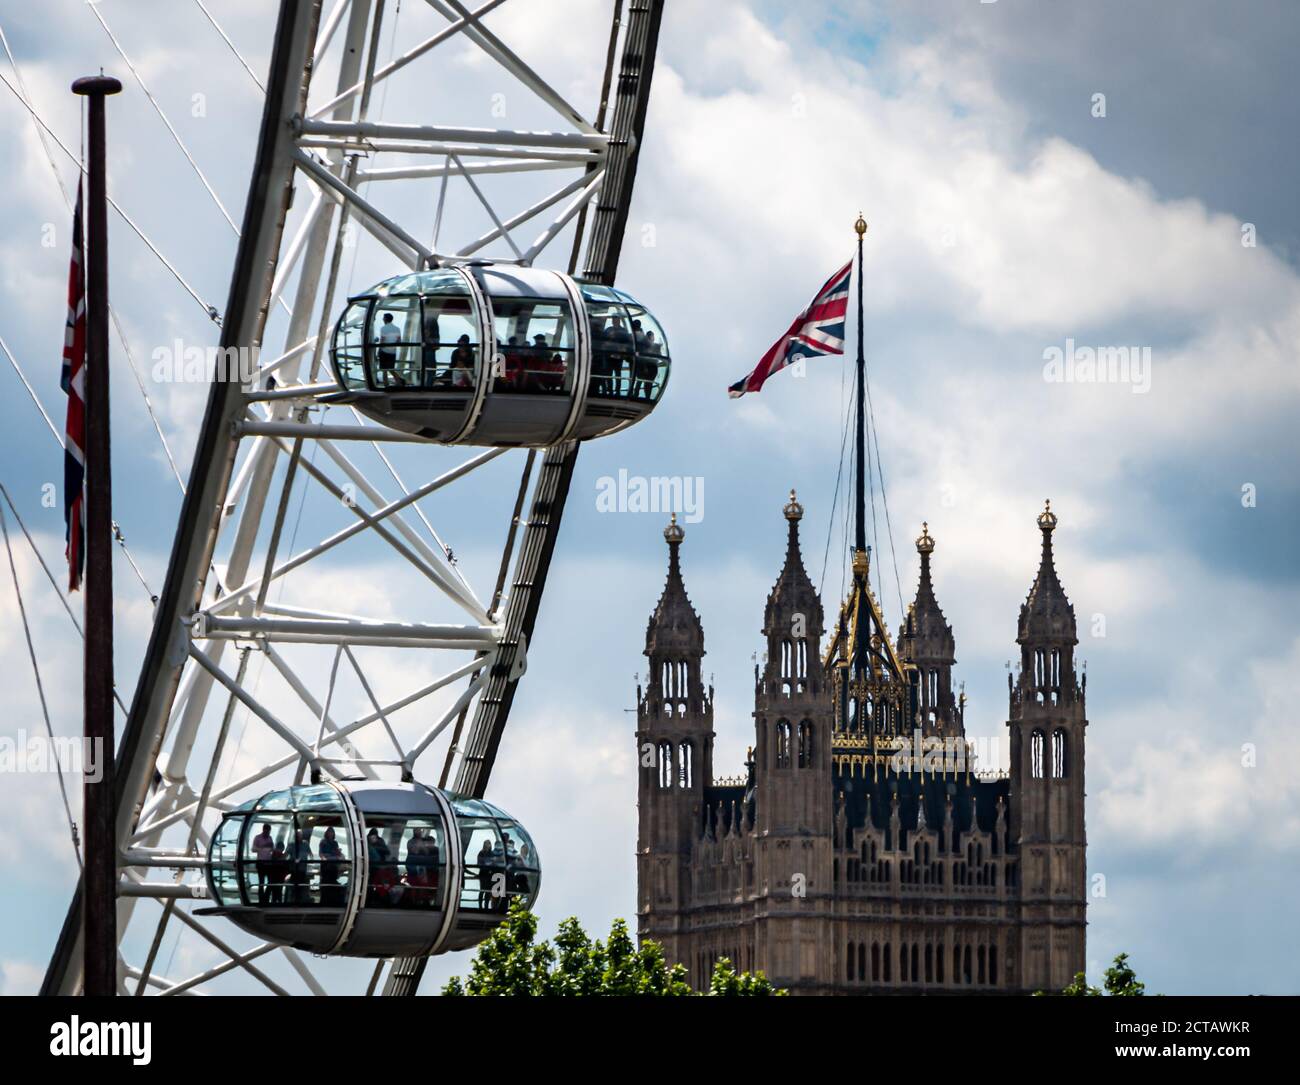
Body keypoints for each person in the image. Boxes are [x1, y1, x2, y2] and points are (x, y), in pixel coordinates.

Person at [319, 826, 343, 907]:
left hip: (333, 866)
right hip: (326, 866)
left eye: (332, 832)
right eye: (329, 832)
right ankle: (324, 902)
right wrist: (326, 858)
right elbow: (321, 854)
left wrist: (338, 853)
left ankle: (332, 902)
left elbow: (337, 854)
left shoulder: (335, 843)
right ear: (327, 833)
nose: (330, 834)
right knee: (326, 884)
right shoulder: (323, 842)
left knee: (332, 883)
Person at [287, 828, 312, 905]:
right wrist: (294, 859)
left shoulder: (305, 844)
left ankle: (300, 902)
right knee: (294, 887)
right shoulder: (291, 844)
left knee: (301, 886)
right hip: (294, 869)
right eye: (298, 835)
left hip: (302, 869)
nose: (299, 837)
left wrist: (308, 858)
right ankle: (293, 902)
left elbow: (310, 854)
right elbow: (287, 855)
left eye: (300, 835)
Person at [376, 312, 402, 385]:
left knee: (384, 370)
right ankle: (399, 382)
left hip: (384, 351)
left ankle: (386, 384)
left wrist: (378, 350)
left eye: (383, 318)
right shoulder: (397, 329)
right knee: (391, 369)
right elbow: (399, 341)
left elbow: (382, 340)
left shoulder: (383, 328)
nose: (382, 319)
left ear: (386, 319)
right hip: (393, 351)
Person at [252, 822, 274, 904]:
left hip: (268, 862)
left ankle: (266, 897)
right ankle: (262, 900)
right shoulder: (257, 838)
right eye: (267, 831)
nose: (268, 833)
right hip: (261, 862)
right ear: (263, 830)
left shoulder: (270, 838)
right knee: (261, 882)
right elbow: (253, 849)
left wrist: (270, 847)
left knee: (270, 881)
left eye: (269, 832)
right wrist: (262, 847)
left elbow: (272, 849)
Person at [476, 838, 496, 910]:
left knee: (488, 891)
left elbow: (494, 864)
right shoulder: (481, 853)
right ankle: (480, 906)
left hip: (489, 874)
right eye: (486, 844)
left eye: (489, 844)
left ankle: (486, 906)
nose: (488, 845)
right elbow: (479, 863)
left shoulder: (492, 853)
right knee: (482, 890)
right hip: (483, 873)